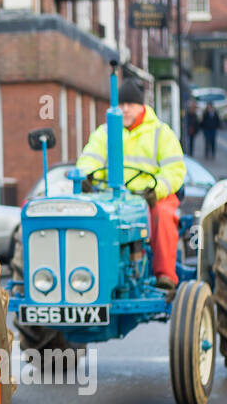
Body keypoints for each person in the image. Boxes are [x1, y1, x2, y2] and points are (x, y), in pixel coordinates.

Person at [77, 77, 186, 293]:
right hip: (111, 197)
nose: (125, 109)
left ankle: (165, 275)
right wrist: (85, 176)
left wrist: (156, 191)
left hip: (149, 196)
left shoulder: (161, 133)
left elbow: (175, 170)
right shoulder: (104, 132)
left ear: (141, 106)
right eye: (121, 105)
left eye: (130, 105)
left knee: (163, 215)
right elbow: (88, 159)